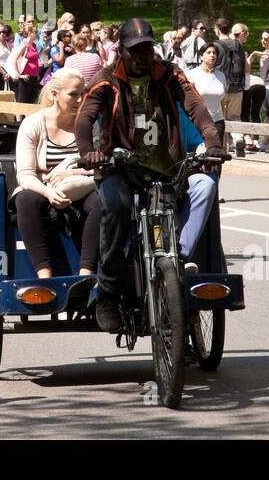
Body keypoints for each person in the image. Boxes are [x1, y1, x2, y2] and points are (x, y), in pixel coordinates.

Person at [75, 18, 226, 333]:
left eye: (147, 49)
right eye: (135, 50)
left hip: (164, 168)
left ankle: (174, 270)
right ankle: (107, 292)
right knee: (115, 210)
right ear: (122, 51)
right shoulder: (107, 78)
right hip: (119, 166)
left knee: (188, 202)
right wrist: (88, 150)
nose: (142, 56)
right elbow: (85, 117)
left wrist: (212, 142)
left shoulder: (169, 74)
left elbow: (197, 108)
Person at [14, 70, 104, 280]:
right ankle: (44, 276)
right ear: (54, 94)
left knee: (102, 199)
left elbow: (100, 164)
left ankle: (86, 276)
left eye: (83, 93)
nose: (80, 100)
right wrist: (48, 193)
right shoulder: (33, 124)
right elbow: (25, 175)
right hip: (43, 187)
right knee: (26, 199)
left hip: (81, 186)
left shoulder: (90, 123)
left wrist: (70, 172)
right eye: (73, 94)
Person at [215, 19, 248, 156]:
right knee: (234, 115)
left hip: (221, 86)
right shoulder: (238, 44)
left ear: (217, 30)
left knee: (220, 116)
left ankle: (223, 146)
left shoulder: (216, 45)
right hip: (237, 85)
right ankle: (239, 138)